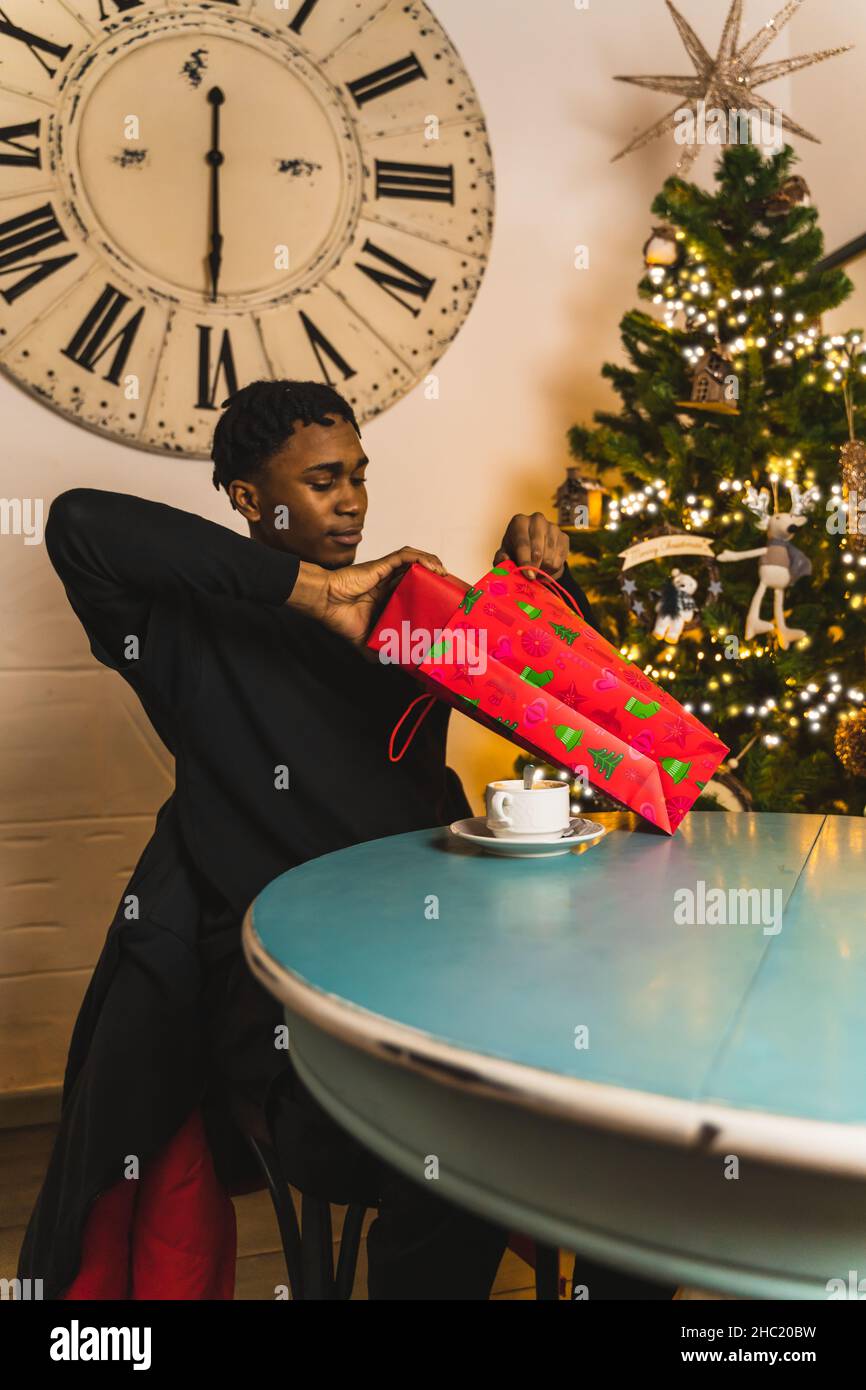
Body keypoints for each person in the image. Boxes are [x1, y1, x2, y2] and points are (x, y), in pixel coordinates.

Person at [17, 377, 667, 1300]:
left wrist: (526, 573)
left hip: (452, 976)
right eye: (323, 481)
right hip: (302, 1031)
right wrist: (317, 595)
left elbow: (542, 689)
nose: (354, 498)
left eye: (359, 474)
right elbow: (82, 521)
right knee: (456, 1156)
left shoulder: (405, 618)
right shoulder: (174, 631)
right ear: (248, 499)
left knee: (631, 1126)